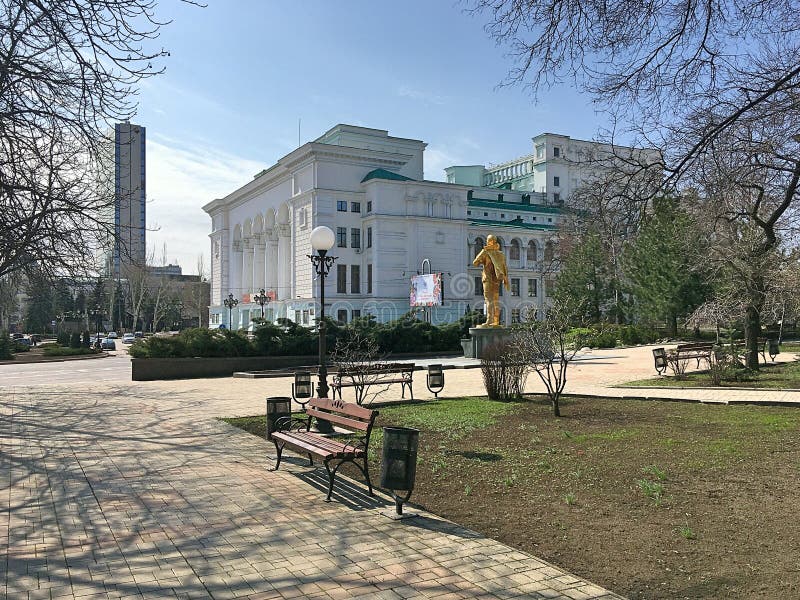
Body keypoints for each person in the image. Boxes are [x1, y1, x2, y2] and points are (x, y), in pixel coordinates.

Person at [472, 234, 510, 327]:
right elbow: (505, 268)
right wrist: (505, 279)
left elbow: (475, 263)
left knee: (488, 299)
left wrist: (483, 252)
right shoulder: (500, 254)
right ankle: (496, 320)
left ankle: (489, 320)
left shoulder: (486, 252)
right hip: (497, 280)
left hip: (488, 279)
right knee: (495, 300)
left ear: (488, 242)